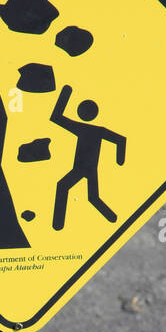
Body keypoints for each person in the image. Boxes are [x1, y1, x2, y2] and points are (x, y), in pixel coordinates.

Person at [49, 85, 125, 231]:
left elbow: (56, 117)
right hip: (90, 169)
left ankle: (57, 225)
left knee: (63, 187)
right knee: (93, 198)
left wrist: (66, 93)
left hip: (80, 168)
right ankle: (112, 218)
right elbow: (120, 140)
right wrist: (119, 159)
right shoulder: (98, 130)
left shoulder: (82, 128)